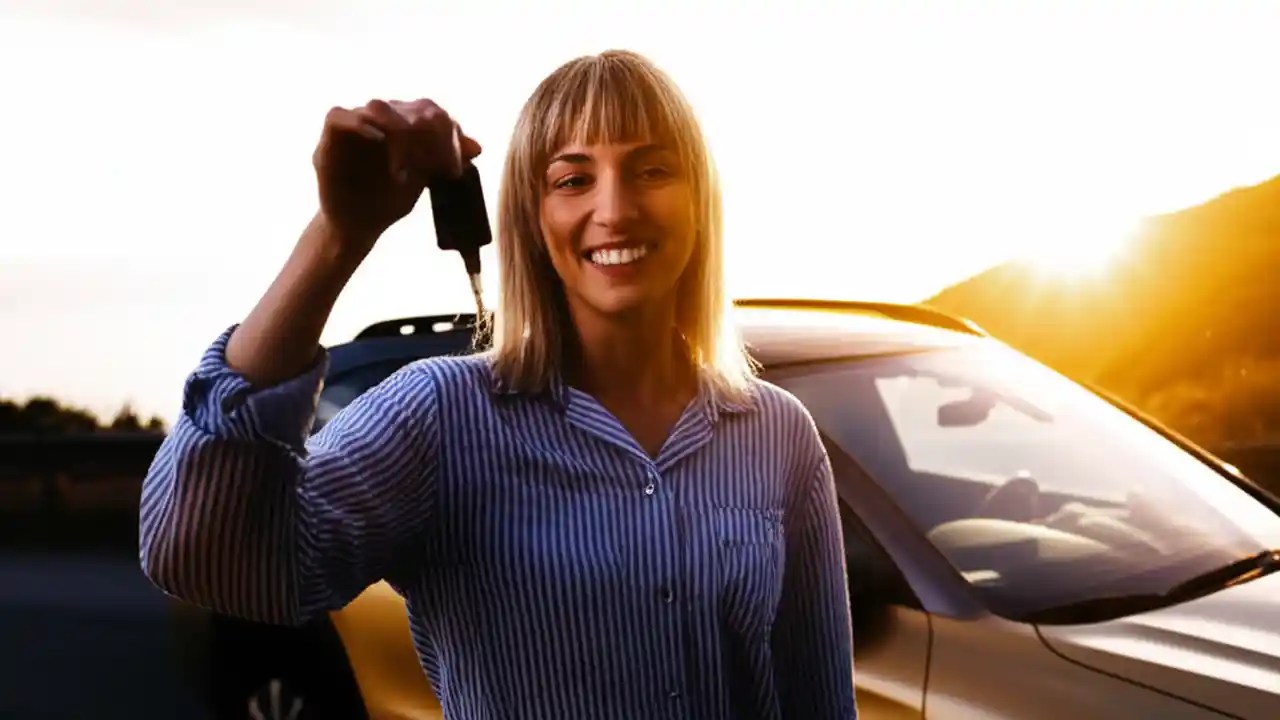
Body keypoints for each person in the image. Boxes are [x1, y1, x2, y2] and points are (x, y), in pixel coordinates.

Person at [139, 49, 857, 718]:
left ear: (699, 202)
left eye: (652, 171)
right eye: (574, 179)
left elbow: (818, 702)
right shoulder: (442, 416)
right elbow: (203, 555)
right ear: (531, 217)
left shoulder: (777, 434)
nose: (615, 209)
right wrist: (338, 234)